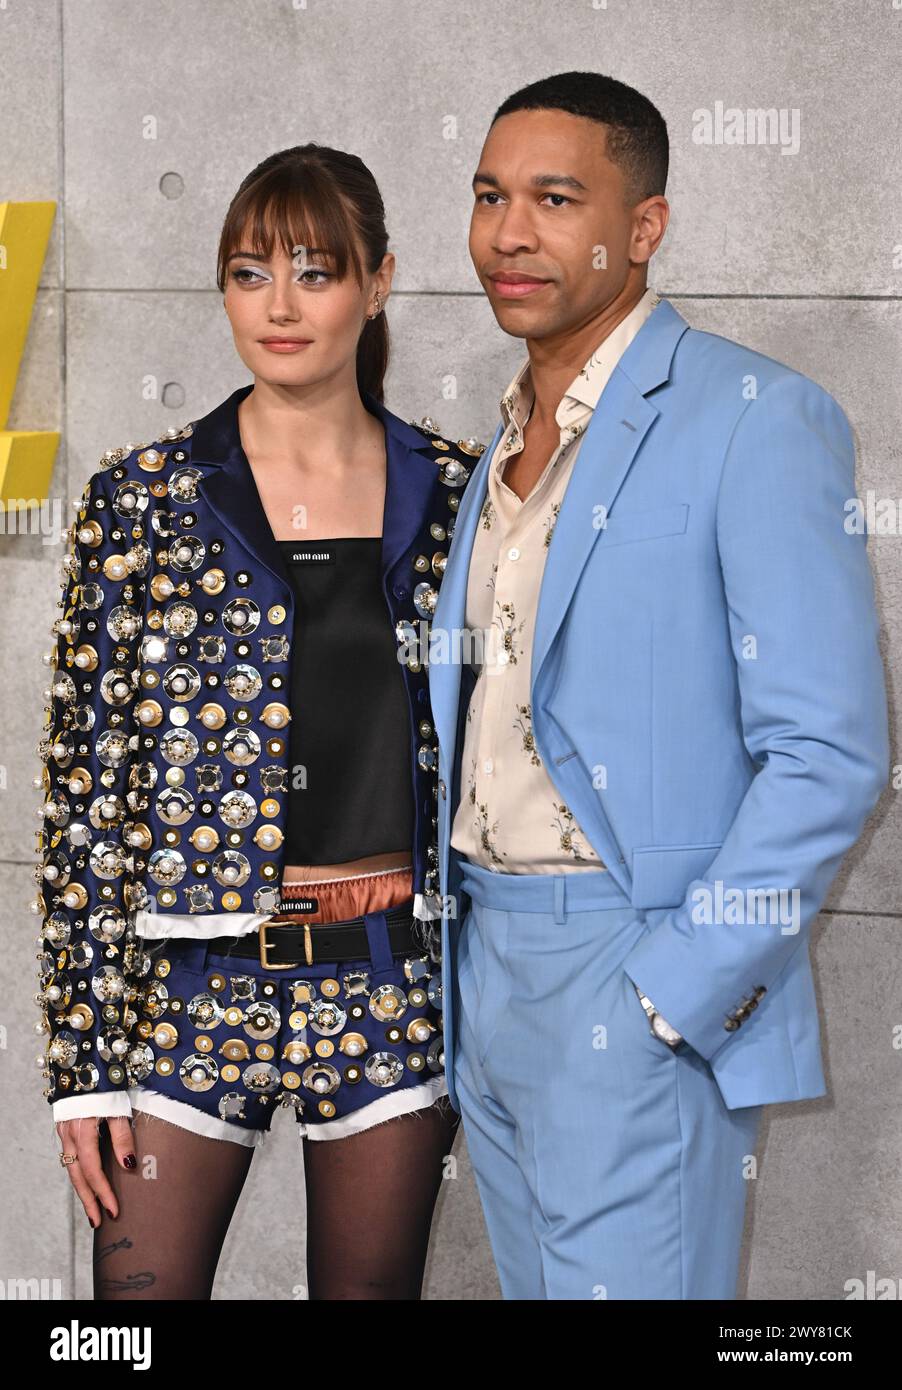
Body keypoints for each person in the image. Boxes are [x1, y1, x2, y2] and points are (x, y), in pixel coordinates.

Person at [429, 71, 889, 1299]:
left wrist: (673, 990)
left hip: (629, 963)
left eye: (553, 199)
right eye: (487, 196)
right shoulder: (499, 442)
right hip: (482, 963)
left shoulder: (753, 416)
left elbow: (829, 751)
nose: (508, 233)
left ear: (642, 228)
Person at [37, 143, 485, 1299]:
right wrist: (84, 1059)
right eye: (249, 273)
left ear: (377, 282)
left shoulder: (457, 493)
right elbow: (88, 797)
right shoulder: (142, 498)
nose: (278, 305)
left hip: (391, 980)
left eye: (313, 271)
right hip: (188, 984)